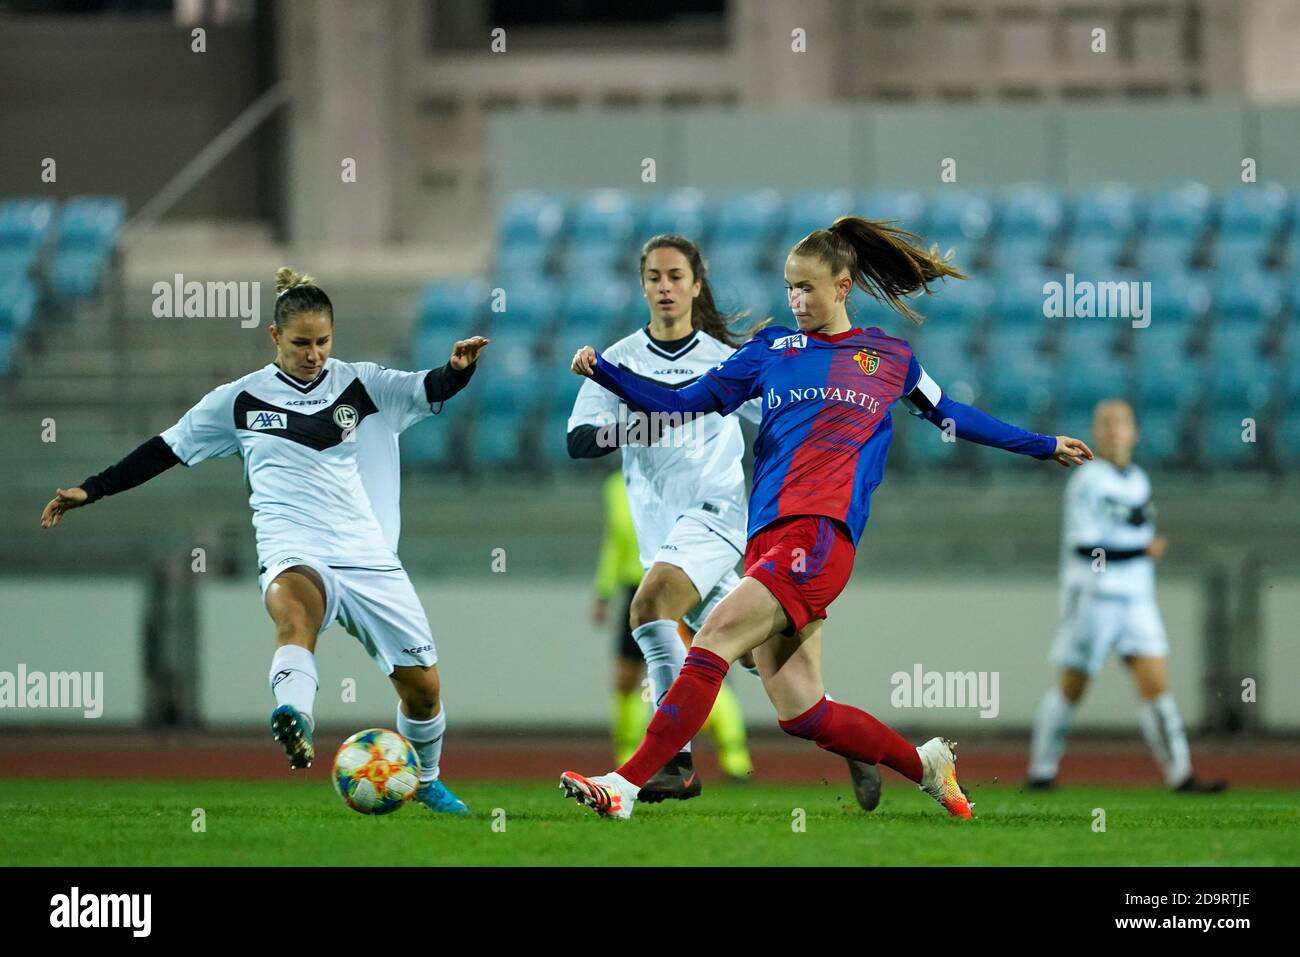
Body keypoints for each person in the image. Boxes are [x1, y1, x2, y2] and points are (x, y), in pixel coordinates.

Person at [559, 216, 1093, 820]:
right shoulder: (769, 352)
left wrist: (1041, 445)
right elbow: (680, 404)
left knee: (709, 638)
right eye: (789, 287)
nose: (796, 300)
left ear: (843, 286)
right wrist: (607, 372)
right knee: (803, 711)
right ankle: (925, 767)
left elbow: (954, 416)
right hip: (765, 540)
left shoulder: (887, 357)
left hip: (818, 536)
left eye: (808, 288)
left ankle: (625, 785)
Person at [40, 267, 489, 816]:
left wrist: (458, 370)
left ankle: (424, 780)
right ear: (275, 337)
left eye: (323, 341)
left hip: (366, 554)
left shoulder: (360, 382)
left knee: (424, 690)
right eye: (301, 343)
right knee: (293, 618)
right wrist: (93, 488)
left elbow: (427, 387)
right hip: (292, 544)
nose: (314, 353)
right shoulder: (238, 400)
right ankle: (295, 716)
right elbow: (165, 448)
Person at [568, 233, 877, 805]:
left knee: (649, 605)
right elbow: (578, 441)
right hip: (660, 534)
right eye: (654, 277)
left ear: (695, 285)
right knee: (772, 666)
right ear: (643, 285)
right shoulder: (618, 359)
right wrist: (635, 428)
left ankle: (673, 764)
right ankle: (851, 742)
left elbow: (791, 406)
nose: (665, 286)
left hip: (717, 514)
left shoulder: (724, 358)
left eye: (676, 276)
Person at [1026, 399, 1226, 793]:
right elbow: (1088, 547)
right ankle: (1041, 772)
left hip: (1137, 598)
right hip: (1094, 596)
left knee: (1156, 688)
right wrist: (1142, 550)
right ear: (1098, 433)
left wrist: (1139, 554)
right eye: (1106, 424)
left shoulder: (1138, 480)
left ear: (1134, 432)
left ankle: (1181, 775)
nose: (1114, 430)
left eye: (1121, 423)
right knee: (1072, 687)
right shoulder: (1088, 480)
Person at [592, 470, 753, 779]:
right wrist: (604, 590)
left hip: (679, 584)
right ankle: (630, 755)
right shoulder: (615, 485)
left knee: (701, 669)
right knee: (626, 679)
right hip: (634, 588)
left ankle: (734, 755)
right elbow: (615, 542)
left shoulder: (681, 469)